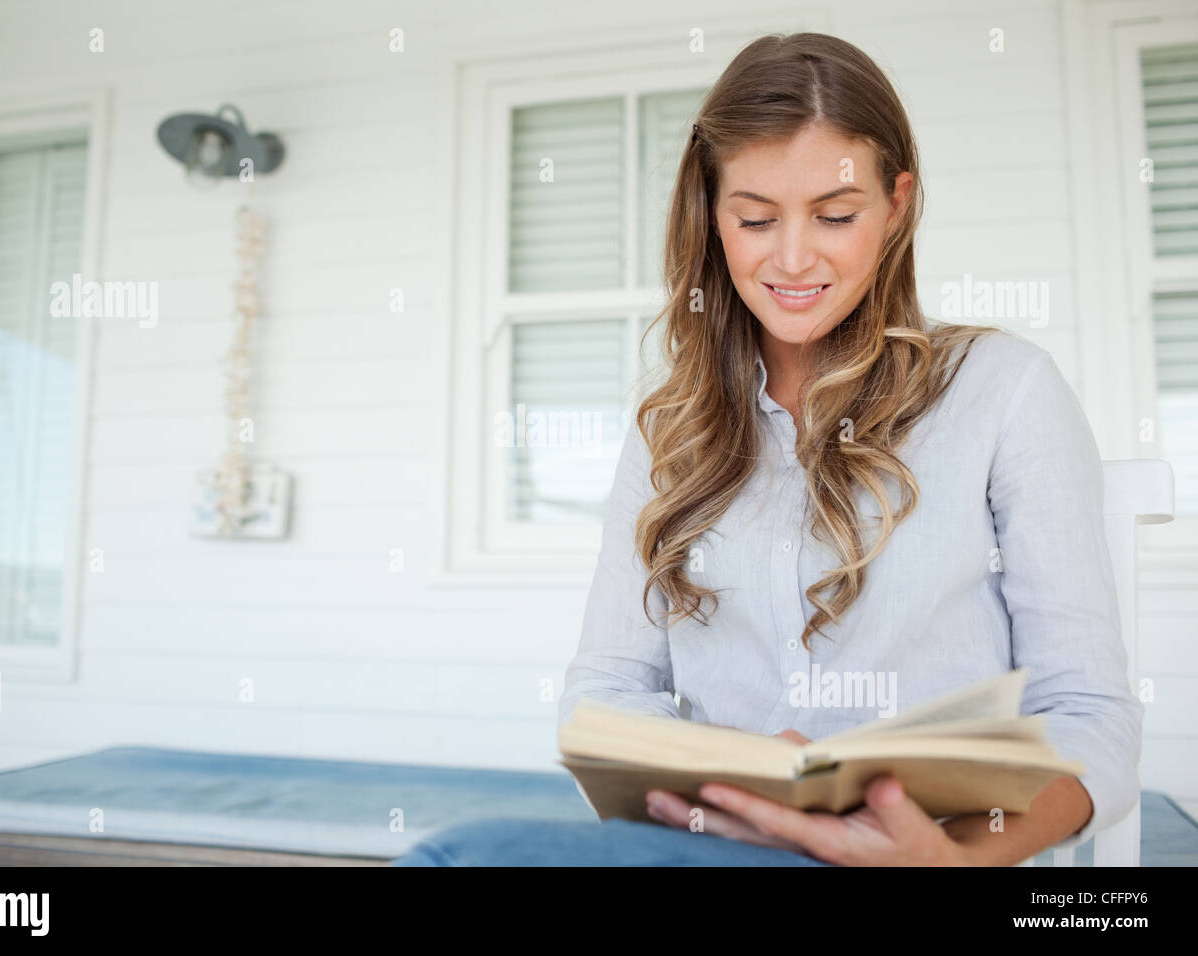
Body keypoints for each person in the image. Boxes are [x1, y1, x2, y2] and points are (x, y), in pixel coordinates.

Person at [392, 30, 1142, 867]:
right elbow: (604, 692)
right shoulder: (671, 428)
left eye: (835, 214)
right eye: (754, 218)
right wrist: (728, 776)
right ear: (711, 217)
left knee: (459, 857)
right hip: (727, 849)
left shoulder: (1004, 389)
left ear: (896, 204)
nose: (792, 257)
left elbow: (1091, 716)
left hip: (937, 860)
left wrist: (964, 858)